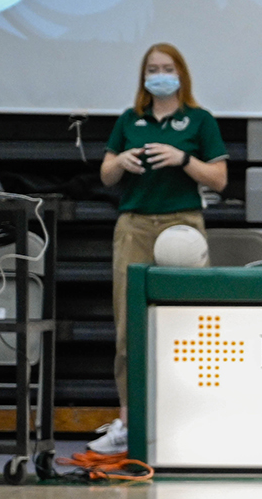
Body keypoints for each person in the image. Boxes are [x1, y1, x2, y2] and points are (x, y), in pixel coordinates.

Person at [85, 44, 228, 457]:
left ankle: (192, 418)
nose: (160, 74)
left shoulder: (199, 120)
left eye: (167, 68)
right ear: (144, 76)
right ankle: (128, 424)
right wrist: (122, 160)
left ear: (180, 74)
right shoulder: (131, 120)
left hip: (182, 225)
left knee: (189, 324)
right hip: (135, 226)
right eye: (153, 69)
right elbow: (106, 173)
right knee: (128, 328)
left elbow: (218, 178)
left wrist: (183, 158)